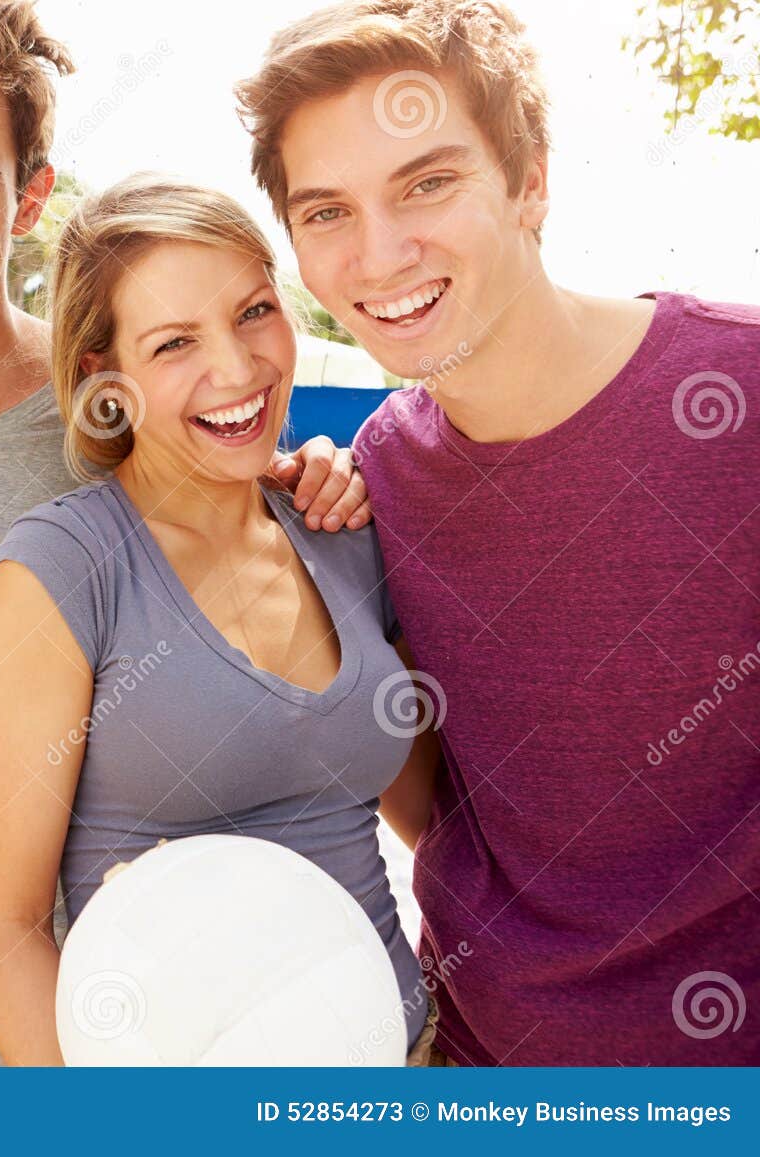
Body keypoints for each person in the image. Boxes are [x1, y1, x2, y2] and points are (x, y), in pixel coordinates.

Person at [0, 0, 371, 1067]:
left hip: (122, 1008)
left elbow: (220, 476)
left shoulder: (102, 413)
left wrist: (312, 474)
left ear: (28, 199)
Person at [236, 0, 759, 1064]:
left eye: (427, 183)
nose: (380, 256)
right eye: (326, 211)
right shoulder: (373, 477)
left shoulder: (735, 393)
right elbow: (431, 796)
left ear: (530, 181)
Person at [0, 173, 438, 1066]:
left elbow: (431, 818)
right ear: (106, 380)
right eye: (175, 342)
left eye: (254, 311)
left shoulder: (343, 533)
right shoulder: (61, 574)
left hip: (405, 1055)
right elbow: (7, 934)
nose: (238, 367)